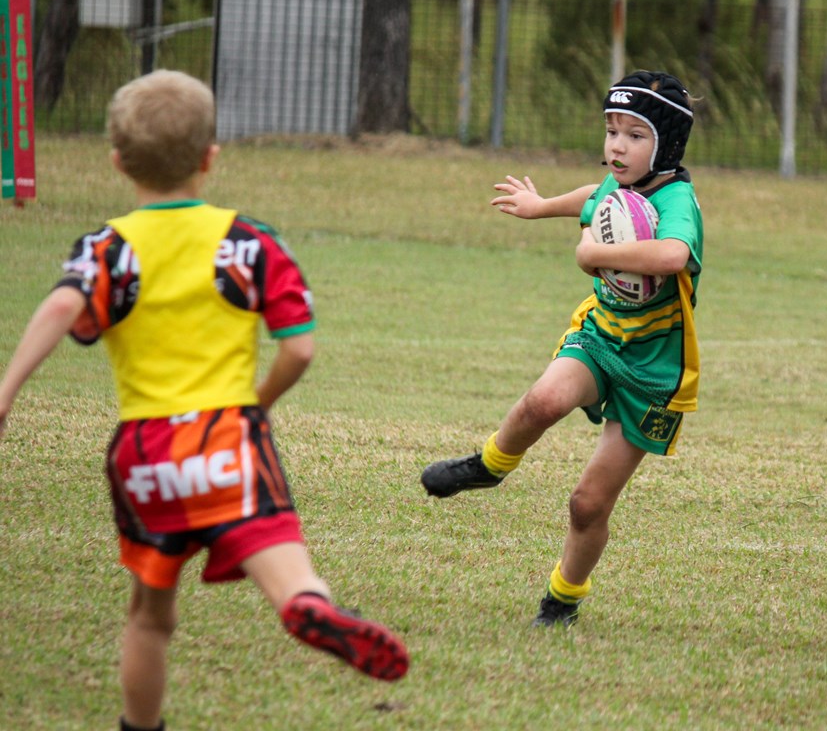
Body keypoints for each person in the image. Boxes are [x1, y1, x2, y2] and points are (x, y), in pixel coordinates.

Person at [0, 71, 409, 731]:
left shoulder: (110, 248)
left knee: (149, 617)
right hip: (226, 438)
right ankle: (308, 604)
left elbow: (61, 304)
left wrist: (6, 392)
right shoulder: (247, 242)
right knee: (285, 569)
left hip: (144, 454)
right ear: (210, 157)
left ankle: (141, 727)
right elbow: (300, 350)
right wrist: (258, 404)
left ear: (116, 162)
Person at [420, 70, 703, 628]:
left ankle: (561, 601)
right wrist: (541, 204)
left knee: (587, 504)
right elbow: (593, 196)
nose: (617, 145)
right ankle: (490, 465)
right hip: (601, 336)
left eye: (634, 134)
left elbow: (673, 256)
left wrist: (592, 258)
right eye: (611, 130)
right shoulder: (619, 189)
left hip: (655, 371)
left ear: (665, 144)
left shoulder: (678, 200)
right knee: (542, 402)